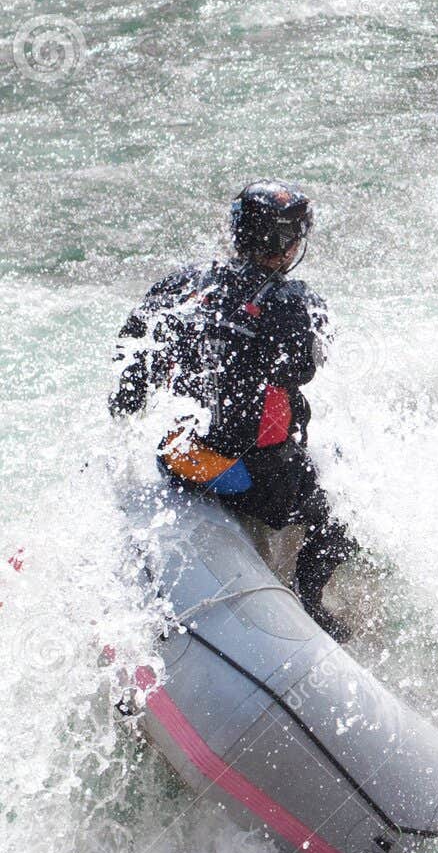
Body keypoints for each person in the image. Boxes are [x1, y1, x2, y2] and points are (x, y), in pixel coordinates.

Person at [110, 180, 358, 641]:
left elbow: (128, 376)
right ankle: (312, 603)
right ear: (288, 246)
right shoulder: (292, 301)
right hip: (250, 472)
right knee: (346, 510)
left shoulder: (182, 284)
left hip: (179, 458)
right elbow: (301, 370)